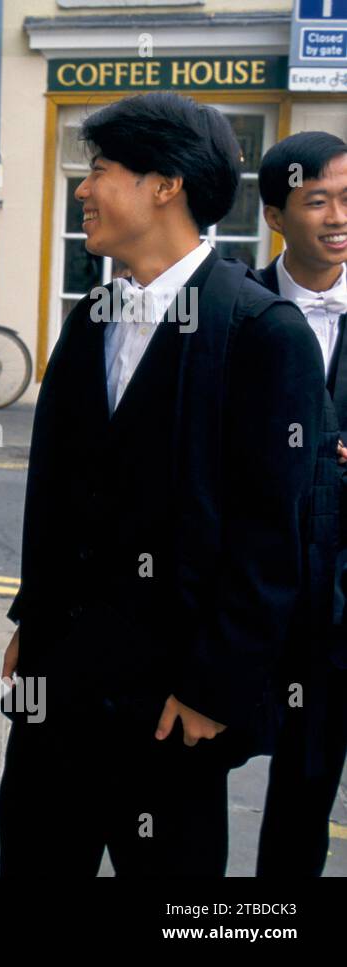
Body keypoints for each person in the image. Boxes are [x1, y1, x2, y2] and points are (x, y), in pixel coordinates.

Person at [0, 92, 328, 876]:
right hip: (59, 686)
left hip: (172, 707)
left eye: (99, 170)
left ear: (165, 185)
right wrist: (30, 619)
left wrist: (215, 687)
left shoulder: (260, 331)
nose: (82, 189)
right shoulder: (93, 314)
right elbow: (57, 492)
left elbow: (271, 539)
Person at [253, 130, 347, 877]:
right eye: (319, 200)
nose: (340, 216)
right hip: (251, 598)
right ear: (277, 215)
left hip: (341, 607)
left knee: (305, 795)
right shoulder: (237, 310)